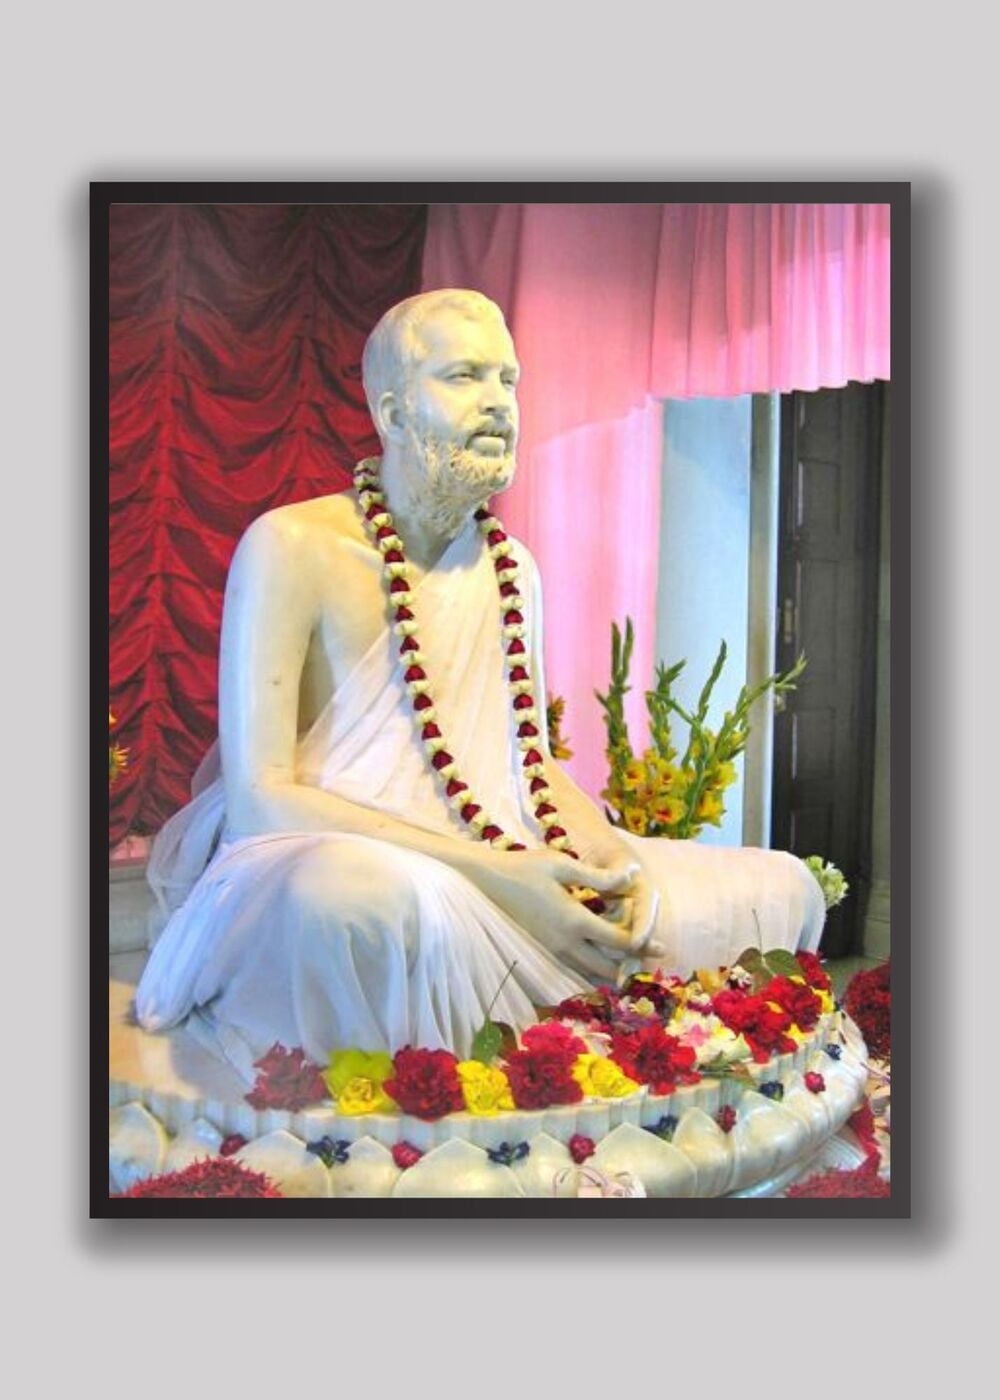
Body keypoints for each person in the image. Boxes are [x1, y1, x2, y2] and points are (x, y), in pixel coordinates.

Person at [135, 289, 823, 1072]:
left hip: (503, 852)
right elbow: (261, 802)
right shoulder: (291, 547)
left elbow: (523, 768)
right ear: (392, 412)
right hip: (331, 859)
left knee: (782, 885)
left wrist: (604, 864)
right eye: (464, 375)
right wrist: (503, 881)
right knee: (362, 907)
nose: (499, 403)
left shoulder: (511, 569)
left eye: (509, 379)